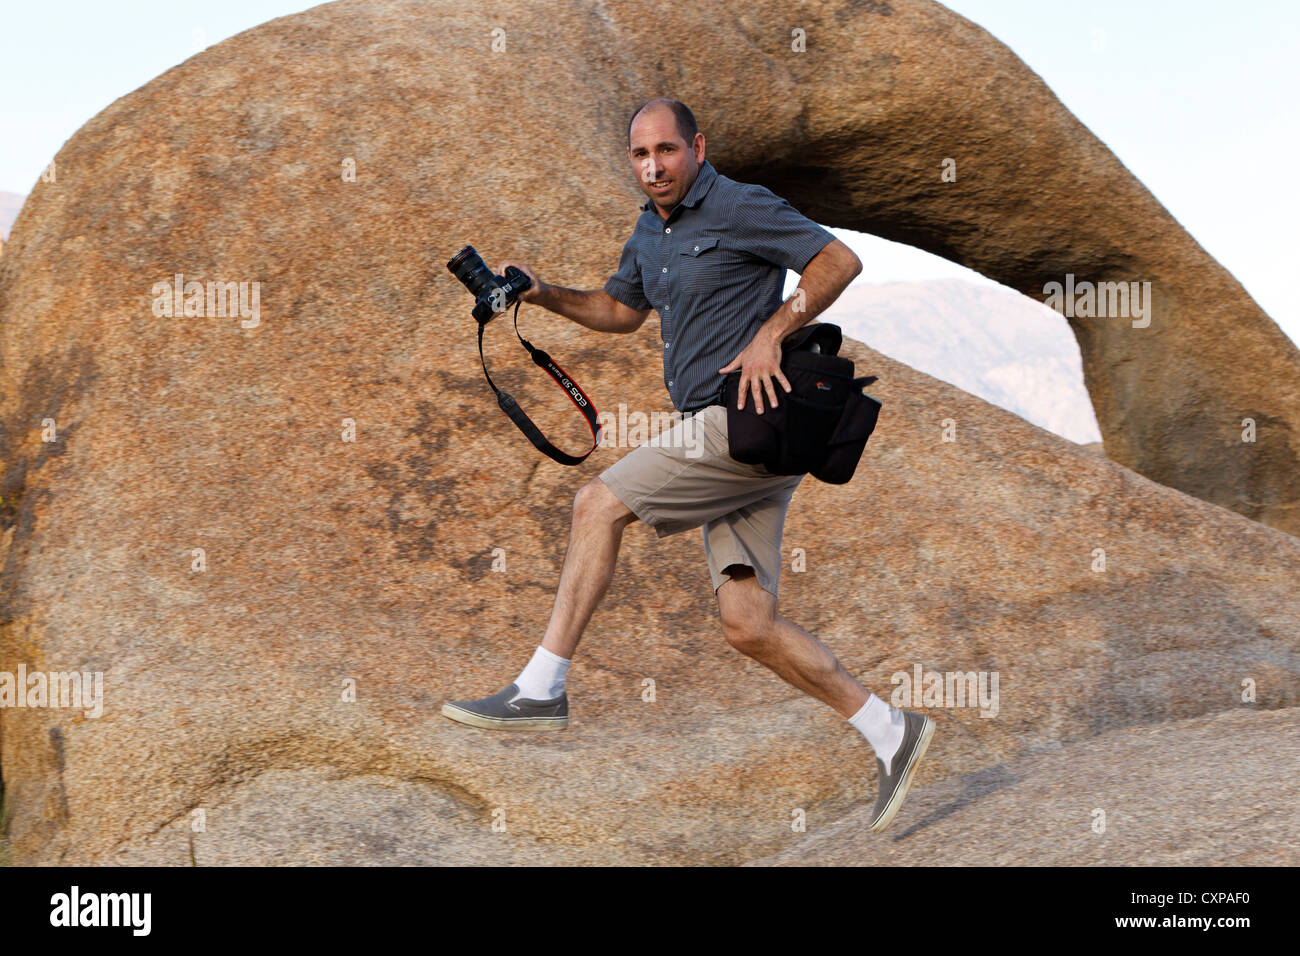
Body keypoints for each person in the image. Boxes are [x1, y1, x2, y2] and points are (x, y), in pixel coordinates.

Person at [442, 98, 934, 832]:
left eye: (666, 151)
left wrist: (773, 333)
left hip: (737, 421)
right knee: (747, 624)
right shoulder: (650, 228)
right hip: (745, 440)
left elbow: (839, 260)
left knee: (596, 505)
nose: (653, 168)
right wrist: (539, 293)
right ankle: (892, 732)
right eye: (640, 156)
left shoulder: (739, 205)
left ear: (697, 147)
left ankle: (542, 688)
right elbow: (621, 311)